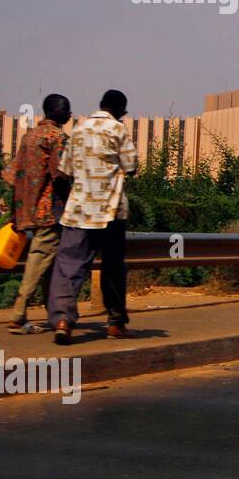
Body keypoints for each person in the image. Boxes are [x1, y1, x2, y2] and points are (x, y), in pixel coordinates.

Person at [46, 90, 138, 345]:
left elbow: (63, 172)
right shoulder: (118, 130)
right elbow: (131, 167)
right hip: (110, 211)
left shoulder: (78, 129)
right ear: (120, 110)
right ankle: (116, 323)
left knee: (68, 267)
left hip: (79, 211)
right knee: (113, 268)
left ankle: (63, 320)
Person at [0, 95, 73, 334]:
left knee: (47, 262)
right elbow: (60, 175)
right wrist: (70, 202)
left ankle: (54, 314)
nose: (69, 115)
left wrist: (15, 213)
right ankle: (18, 314)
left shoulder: (29, 135)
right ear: (58, 112)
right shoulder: (58, 137)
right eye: (67, 111)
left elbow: (14, 175)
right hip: (49, 210)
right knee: (40, 257)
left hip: (27, 209)